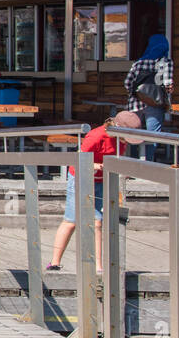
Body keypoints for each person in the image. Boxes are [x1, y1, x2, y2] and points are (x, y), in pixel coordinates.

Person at [48, 111, 145, 272]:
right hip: (80, 178)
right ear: (117, 128)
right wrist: (97, 166)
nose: (126, 141)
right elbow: (79, 159)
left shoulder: (121, 141)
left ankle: (98, 267)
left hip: (101, 181)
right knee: (71, 221)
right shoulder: (96, 136)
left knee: (97, 222)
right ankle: (54, 262)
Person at [123, 33, 174, 163]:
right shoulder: (166, 62)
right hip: (155, 104)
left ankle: (132, 162)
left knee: (132, 133)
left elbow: (127, 83)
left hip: (135, 103)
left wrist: (137, 94)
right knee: (153, 135)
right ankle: (148, 164)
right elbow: (168, 85)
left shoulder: (139, 63)